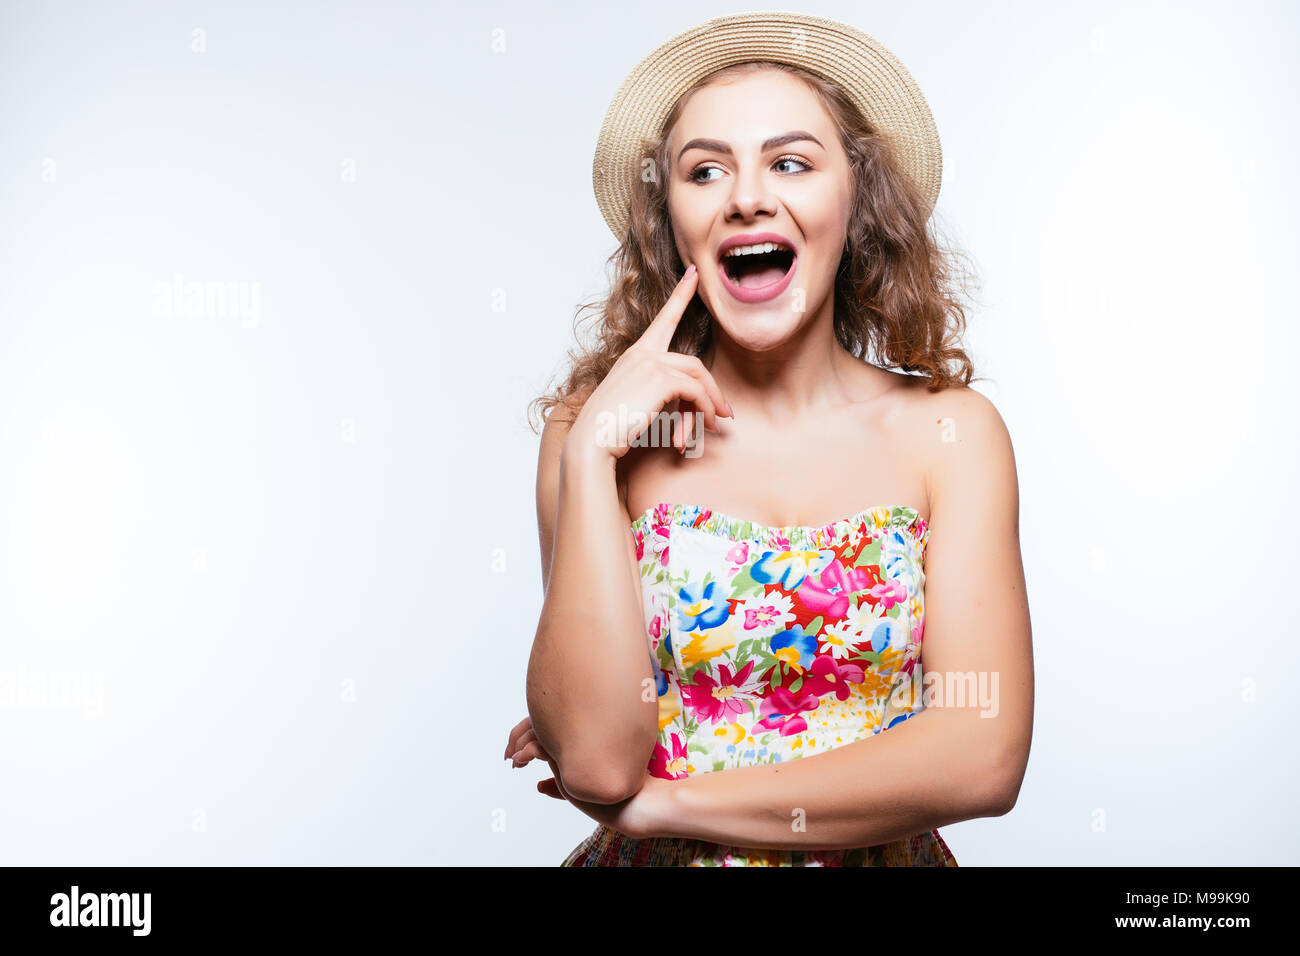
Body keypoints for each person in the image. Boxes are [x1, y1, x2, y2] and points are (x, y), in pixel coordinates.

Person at [506, 11, 1033, 866]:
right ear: (671, 220)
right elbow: (600, 762)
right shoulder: (593, 438)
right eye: (705, 170)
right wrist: (590, 451)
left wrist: (670, 803)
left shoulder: (952, 435)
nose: (747, 196)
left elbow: (983, 758)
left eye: (790, 162)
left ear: (855, 199)